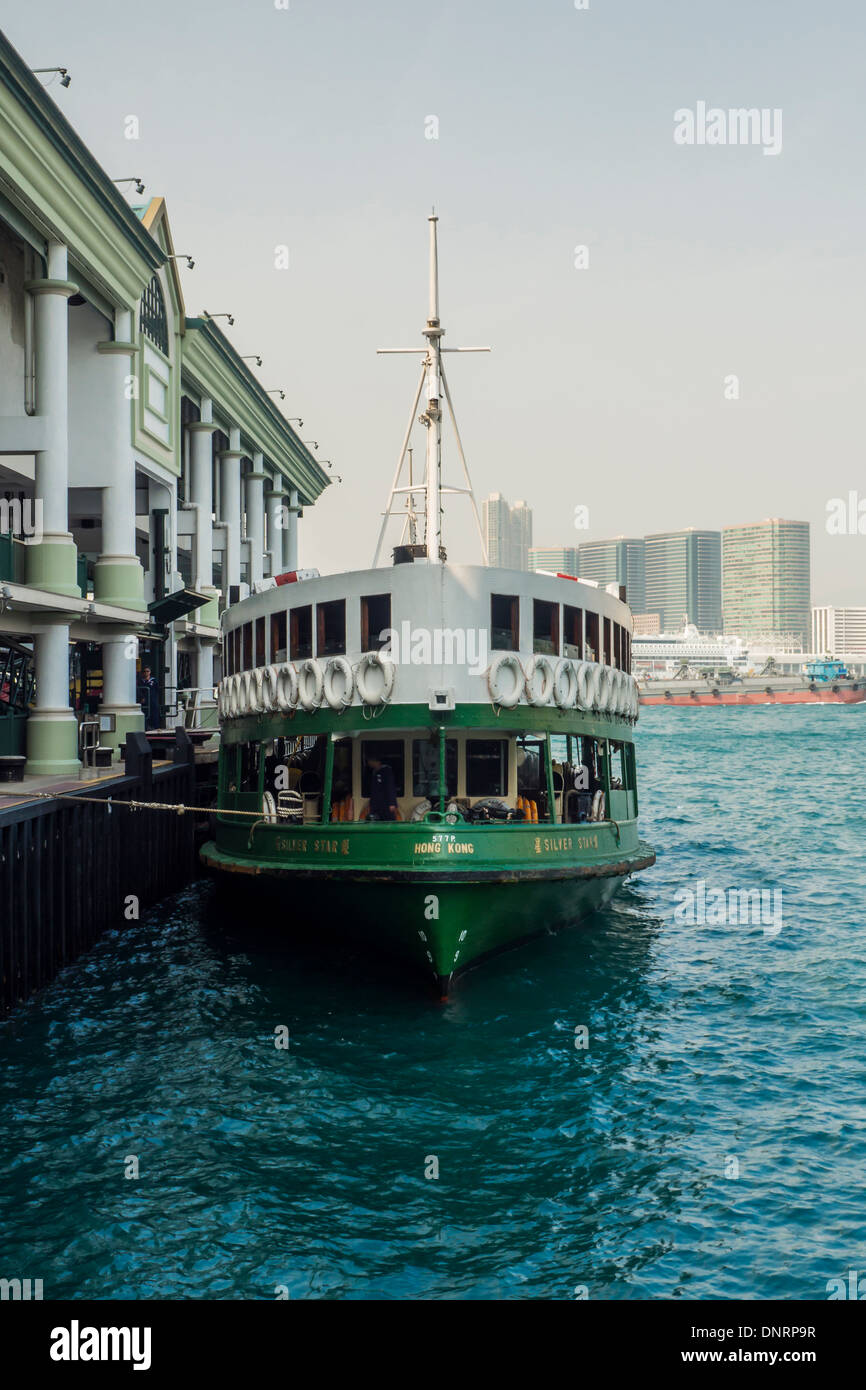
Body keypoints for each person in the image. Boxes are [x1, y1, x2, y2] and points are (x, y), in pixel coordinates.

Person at [366, 753, 398, 821]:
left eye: (369, 761)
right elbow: (374, 791)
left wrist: (392, 803)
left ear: (375, 761)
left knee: (388, 821)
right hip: (376, 805)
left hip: (386, 804)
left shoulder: (386, 771)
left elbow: (390, 787)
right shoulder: (374, 772)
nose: (368, 763)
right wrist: (371, 804)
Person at [138, 666, 160, 730]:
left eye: (147, 671)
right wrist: (141, 697)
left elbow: (157, 690)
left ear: (150, 672)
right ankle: (146, 727)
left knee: (154, 713)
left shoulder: (154, 681)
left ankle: (155, 727)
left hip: (152, 700)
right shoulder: (140, 681)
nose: (146, 673)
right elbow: (139, 690)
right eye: (144, 671)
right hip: (144, 700)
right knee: (145, 713)